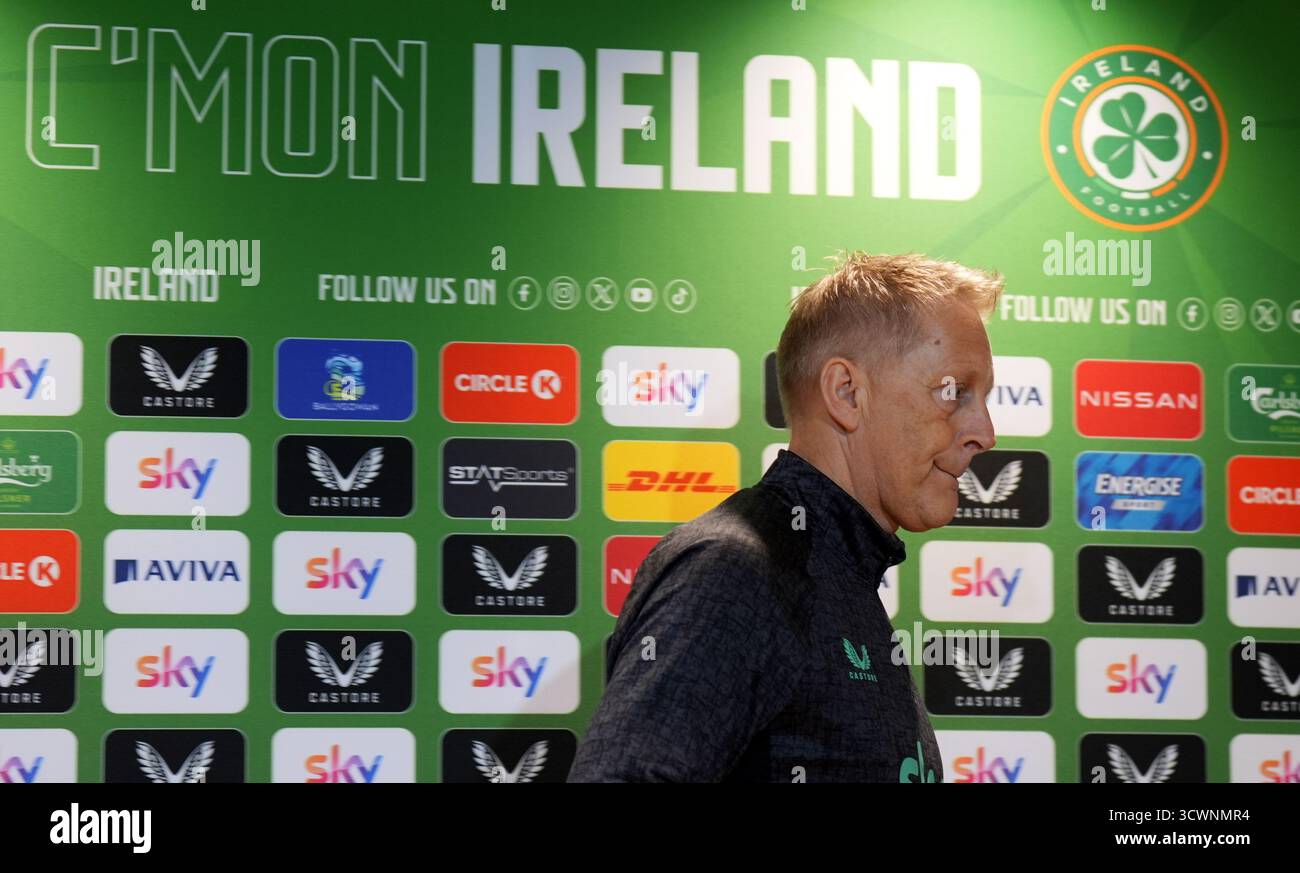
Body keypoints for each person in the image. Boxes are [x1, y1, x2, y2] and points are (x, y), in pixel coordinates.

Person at [568, 251, 1002, 782]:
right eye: (953, 391)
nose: (985, 430)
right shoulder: (736, 568)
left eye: (984, 397)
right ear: (847, 393)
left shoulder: (836, 570)